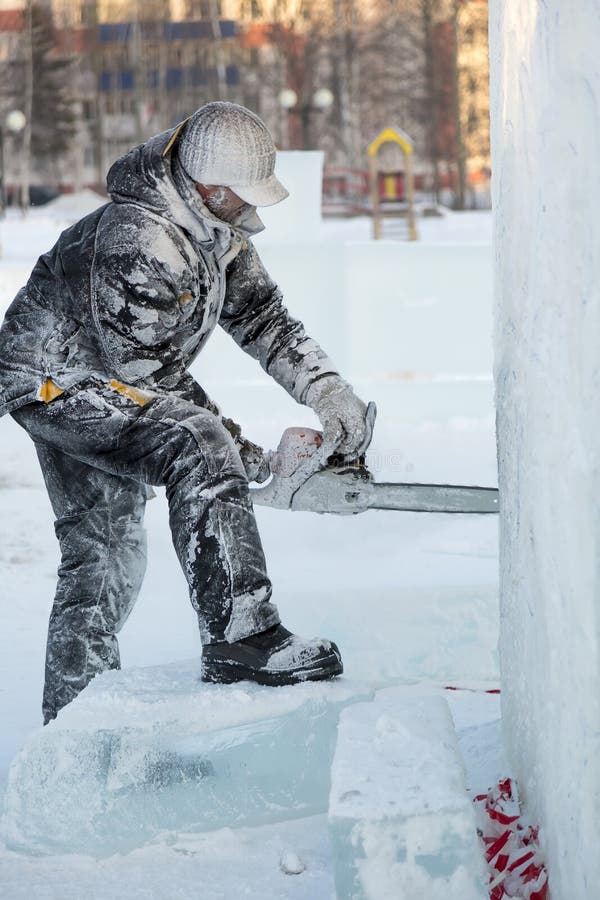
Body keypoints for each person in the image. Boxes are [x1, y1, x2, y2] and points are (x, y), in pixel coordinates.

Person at [0, 102, 371, 724]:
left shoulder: (217, 229)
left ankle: (82, 731)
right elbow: (148, 378)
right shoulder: (138, 237)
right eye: (242, 195)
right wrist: (251, 459)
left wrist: (326, 388)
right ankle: (241, 636)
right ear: (206, 186)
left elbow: (263, 318)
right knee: (196, 442)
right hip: (53, 380)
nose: (252, 208)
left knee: (105, 554)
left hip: (100, 377)